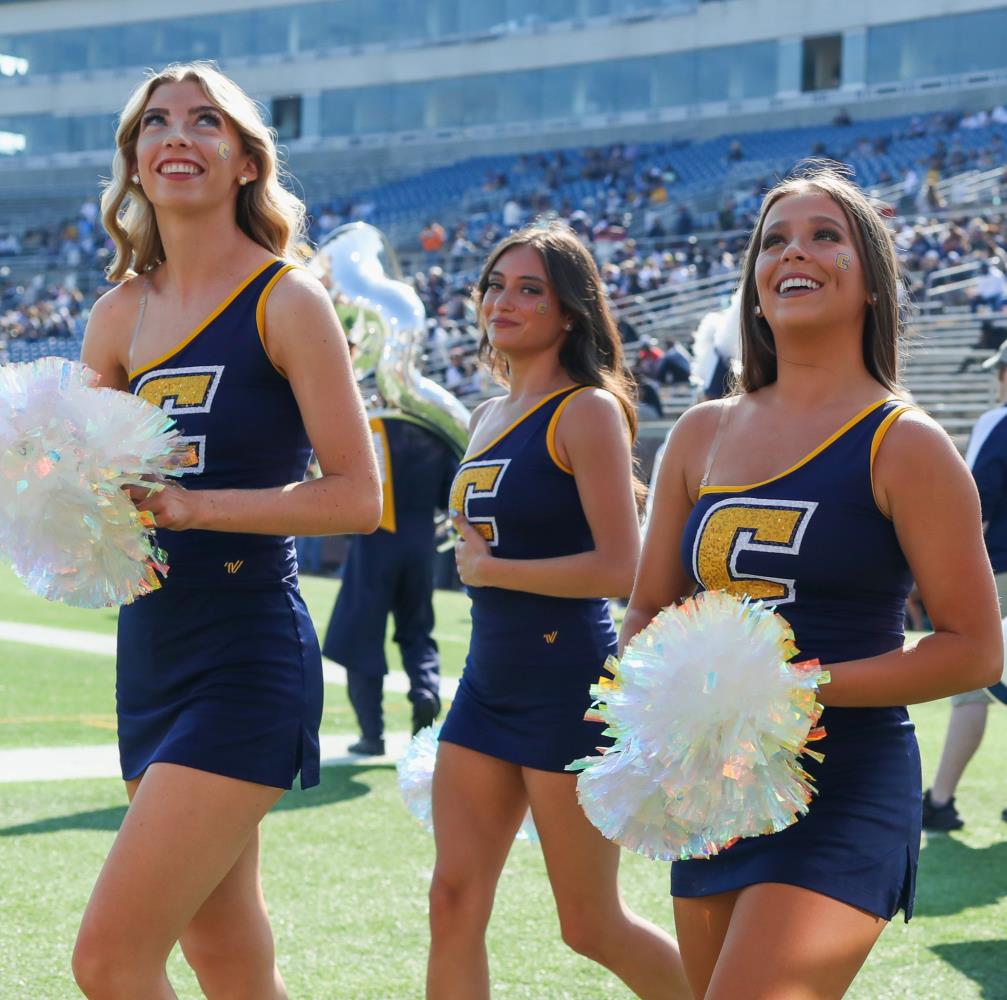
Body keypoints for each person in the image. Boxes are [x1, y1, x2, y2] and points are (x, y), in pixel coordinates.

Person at [625, 164, 1001, 999]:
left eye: (825, 235)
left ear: (870, 282)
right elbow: (649, 608)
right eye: (774, 240)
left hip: (844, 788)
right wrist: (661, 706)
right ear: (754, 288)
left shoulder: (906, 443)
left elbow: (973, 651)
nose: (794, 252)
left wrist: (788, 688)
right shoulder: (698, 433)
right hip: (717, 787)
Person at [72, 62, 380, 999]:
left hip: (247, 652)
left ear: (246, 161)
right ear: (133, 158)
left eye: (207, 122)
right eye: (156, 122)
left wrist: (199, 507)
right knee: (229, 959)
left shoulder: (288, 300)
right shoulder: (116, 315)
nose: (178, 135)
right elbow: (85, 494)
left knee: (110, 962)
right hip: (151, 649)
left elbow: (356, 497)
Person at [428, 221, 689, 1000]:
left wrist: (495, 568)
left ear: (569, 312)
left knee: (587, 924)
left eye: (528, 289)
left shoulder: (586, 412)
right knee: (451, 900)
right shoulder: (484, 415)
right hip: (485, 683)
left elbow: (623, 566)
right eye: (494, 286)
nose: (502, 301)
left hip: (564, 683)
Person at [323, 414, 459, 755]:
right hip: (420, 544)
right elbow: (450, 497)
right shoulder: (436, 431)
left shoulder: (371, 426)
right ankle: (425, 693)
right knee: (418, 631)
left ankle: (372, 734)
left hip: (374, 543)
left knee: (361, 635)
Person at [923, 341, 1007, 830]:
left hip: (996, 568)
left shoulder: (996, 422)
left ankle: (940, 799)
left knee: (969, 686)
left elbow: (974, 504)